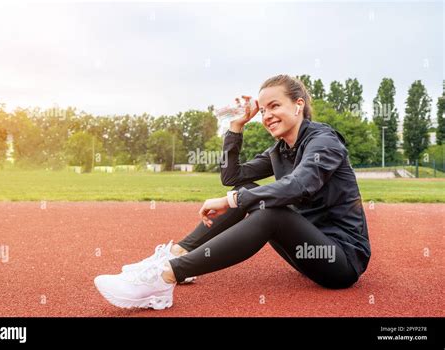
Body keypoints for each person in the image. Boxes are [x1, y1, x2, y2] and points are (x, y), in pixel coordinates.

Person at [94, 74, 371, 310]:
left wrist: (231, 200)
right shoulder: (281, 150)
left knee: (269, 212)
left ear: (298, 105)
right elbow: (233, 177)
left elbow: (298, 186)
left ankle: (165, 278)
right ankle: (176, 254)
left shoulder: (325, 141)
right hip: (308, 250)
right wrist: (236, 126)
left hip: (340, 261)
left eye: (275, 106)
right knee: (247, 191)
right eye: (263, 110)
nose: (267, 115)